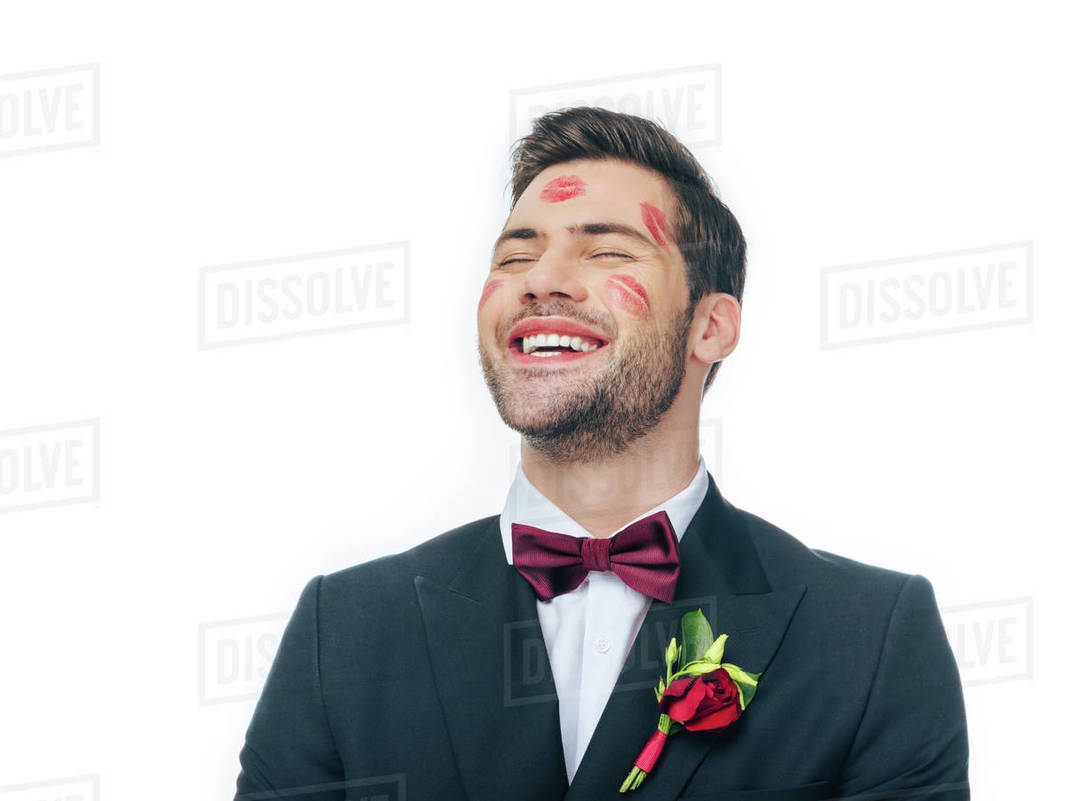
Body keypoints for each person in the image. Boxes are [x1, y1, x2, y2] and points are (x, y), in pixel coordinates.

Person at [234, 107, 969, 801]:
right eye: (517, 252)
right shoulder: (346, 631)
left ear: (710, 327)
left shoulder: (870, 639)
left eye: (607, 249)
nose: (541, 279)